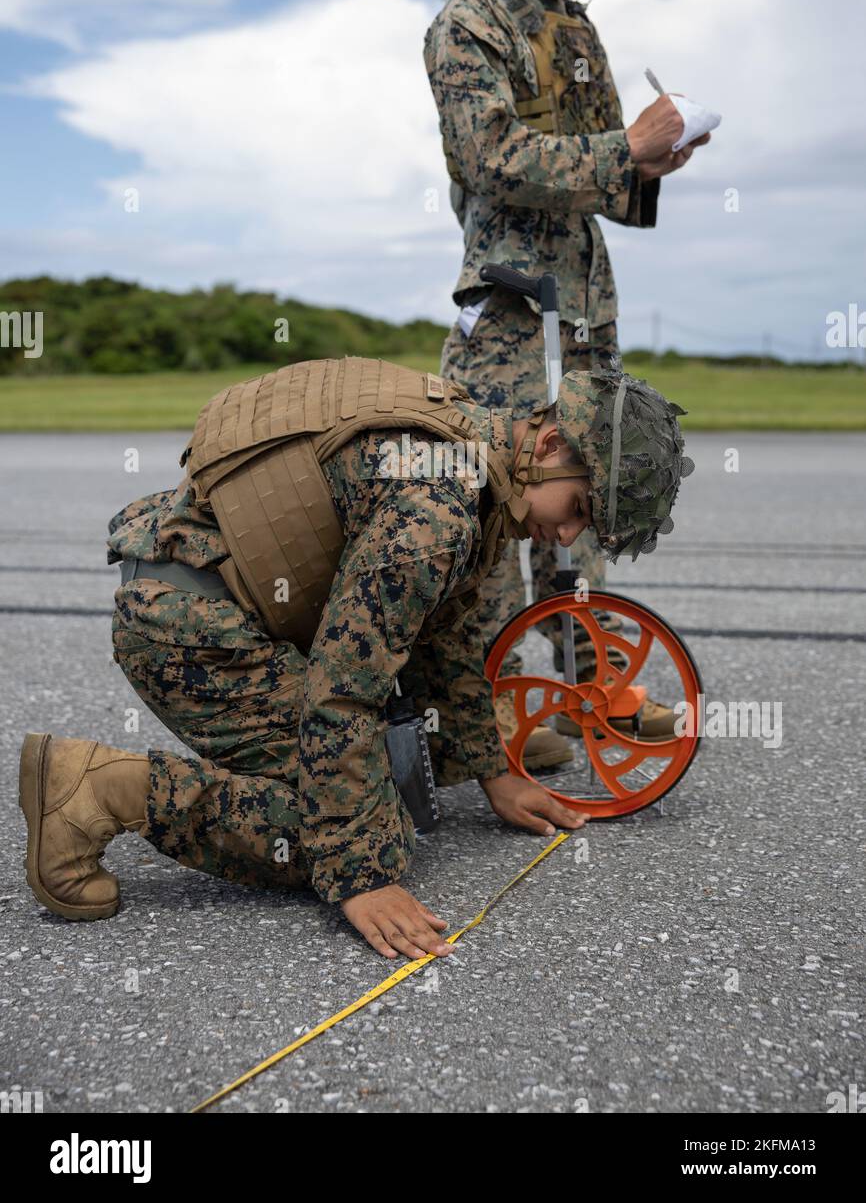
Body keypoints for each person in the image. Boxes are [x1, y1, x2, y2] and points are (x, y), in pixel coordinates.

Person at [19, 355, 693, 962]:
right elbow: (342, 690)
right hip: (192, 635)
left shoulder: (472, 450)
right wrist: (362, 877)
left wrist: (493, 771)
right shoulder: (438, 510)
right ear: (548, 444)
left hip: (206, 593)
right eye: (578, 507)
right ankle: (99, 789)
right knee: (378, 832)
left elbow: (444, 637)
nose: (570, 533)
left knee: (374, 787)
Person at [422, 0, 710, 743]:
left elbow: (602, 178)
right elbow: (492, 157)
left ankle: (597, 689)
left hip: (584, 306)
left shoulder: (576, 32)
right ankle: (495, 710)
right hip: (511, 308)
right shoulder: (469, 21)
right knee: (504, 510)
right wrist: (622, 148)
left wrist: (652, 162)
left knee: (585, 504)